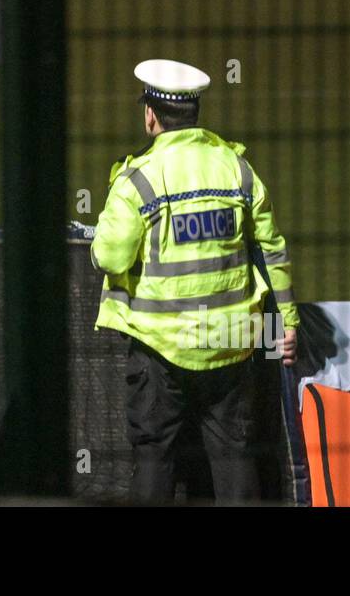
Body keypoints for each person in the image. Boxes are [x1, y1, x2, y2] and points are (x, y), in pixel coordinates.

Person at [90, 59, 298, 504]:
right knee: (234, 456)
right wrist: (289, 323)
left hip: (160, 346)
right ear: (194, 111)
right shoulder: (237, 169)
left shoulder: (139, 180)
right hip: (232, 341)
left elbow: (109, 255)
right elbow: (271, 249)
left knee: (153, 457)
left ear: (150, 114)